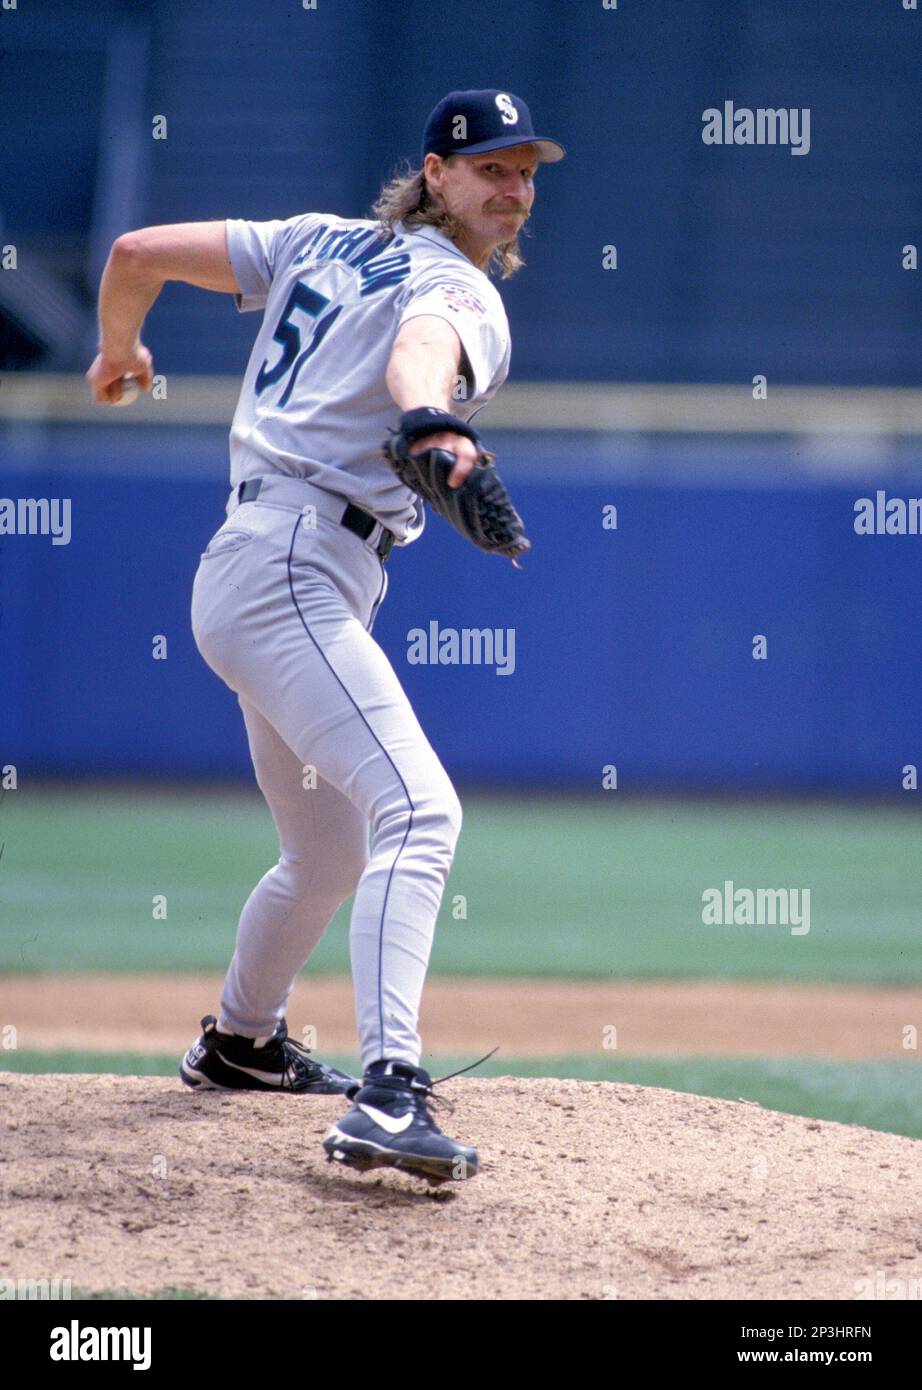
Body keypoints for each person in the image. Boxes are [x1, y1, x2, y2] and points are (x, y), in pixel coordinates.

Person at [86, 89, 564, 1184]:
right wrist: (433, 424)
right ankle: (392, 1091)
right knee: (420, 809)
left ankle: (242, 1042)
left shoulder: (317, 241)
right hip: (297, 565)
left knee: (328, 850)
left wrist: (119, 351)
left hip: (265, 562)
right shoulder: (457, 286)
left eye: (525, 169)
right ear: (434, 176)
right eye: (489, 166)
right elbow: (422, 353)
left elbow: (134, 252)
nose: (513, 187)